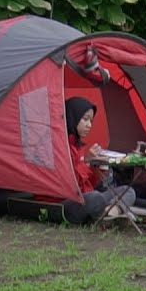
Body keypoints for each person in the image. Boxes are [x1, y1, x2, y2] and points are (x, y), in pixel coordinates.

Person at [60, 96, 138, 224]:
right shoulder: (61, 146)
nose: (89, 125)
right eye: (85, 119)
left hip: (87, 196)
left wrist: (97, 166)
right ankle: (112, 213)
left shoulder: (78, 146)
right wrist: (87, 161)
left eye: (91, 121)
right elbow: (71, 183)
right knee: (95, 198)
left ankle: (109, 214)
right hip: (69, 201)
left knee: (128, 191)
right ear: (72, 117)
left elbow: (90, 184)